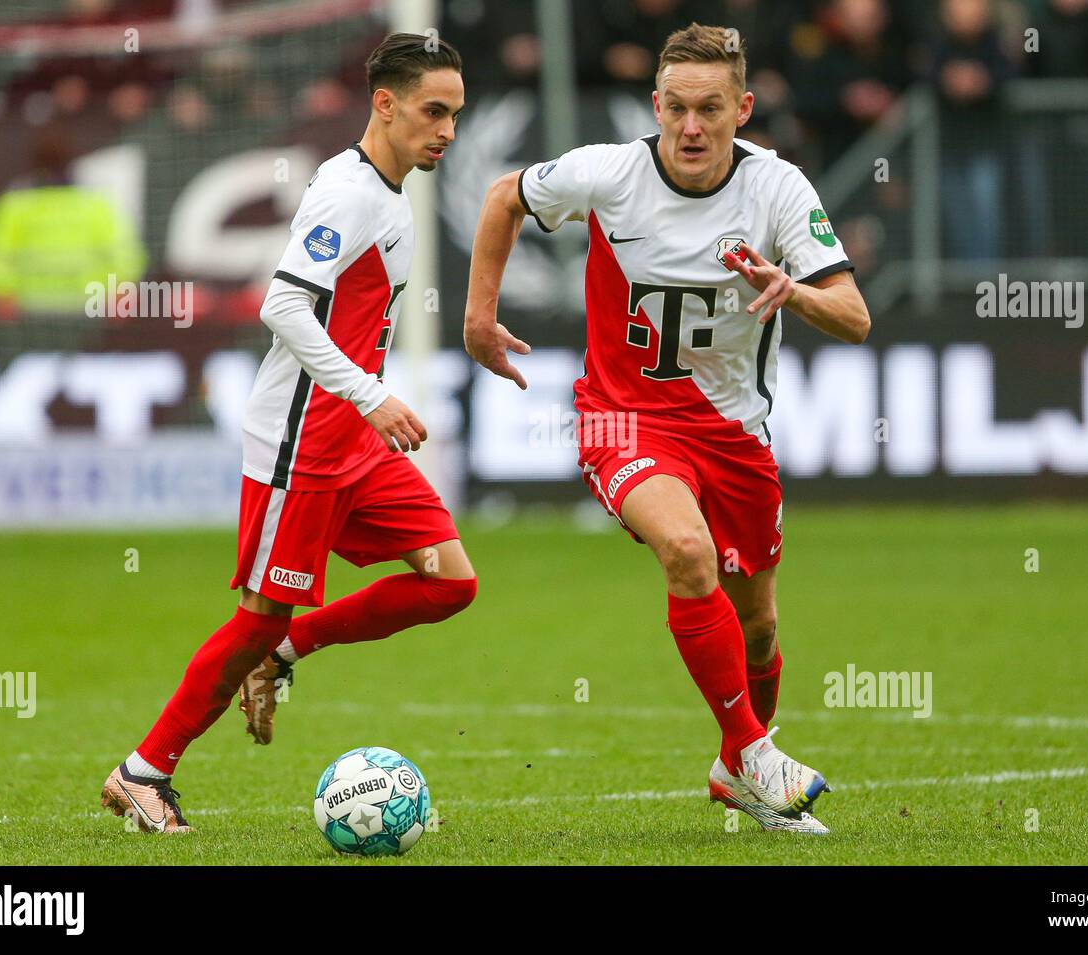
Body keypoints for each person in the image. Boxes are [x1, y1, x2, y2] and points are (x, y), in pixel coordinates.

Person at [464, 22, 870, 834]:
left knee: (759, 624)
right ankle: (755, 753)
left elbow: (854, 317)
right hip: (624, 418)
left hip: (735, 436)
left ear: (742, 109)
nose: (691, 127)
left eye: (710, 109)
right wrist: (478, 317)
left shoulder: (778, 189)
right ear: (654, 105)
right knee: (686, 553)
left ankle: (736, 769)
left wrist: (793, 290)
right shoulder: (609, 174)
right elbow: (504, 192)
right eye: (676, 108)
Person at [101, 33, 475, 834]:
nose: (446, 129)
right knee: (257, 614)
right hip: (301, 445)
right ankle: (144, 771)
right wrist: (372, 394)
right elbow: (281, 307)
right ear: (386, 103)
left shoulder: (391, 191)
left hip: (355, 443)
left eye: (455, 114)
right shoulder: (347, 194)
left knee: (450, 581)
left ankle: (284, 653)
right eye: (433, 111)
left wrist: (368, 407)